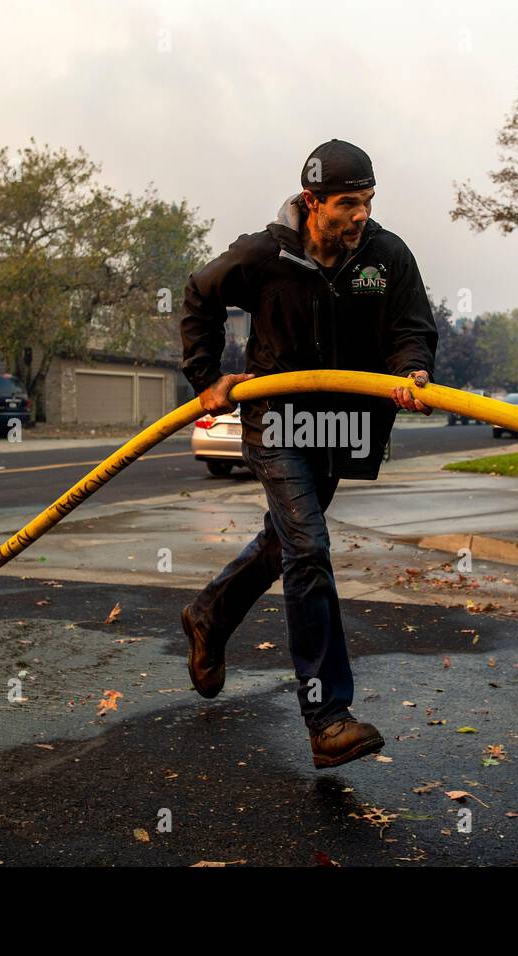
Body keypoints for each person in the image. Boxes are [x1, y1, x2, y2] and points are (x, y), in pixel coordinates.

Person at [178, 139, 438, 768]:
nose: (361, 215)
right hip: (277, 419)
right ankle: (327, 718)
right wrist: (206, 376)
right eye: (348, 203)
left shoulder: (386, 254)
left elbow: (411, 325)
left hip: (343, 423)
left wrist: (412, 370)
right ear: (312, 202)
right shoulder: (264, 255)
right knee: (308, 548)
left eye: (368, 201)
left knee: (288, 541)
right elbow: (199, 297)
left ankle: (208, 615)